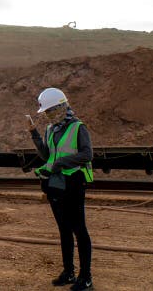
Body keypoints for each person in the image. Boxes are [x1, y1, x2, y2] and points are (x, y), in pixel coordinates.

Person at [27, 87, 94, 290]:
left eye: (50, 111)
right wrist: (34, 133)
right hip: (56, 184)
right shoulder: (51, 129)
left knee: (79, 229)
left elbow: (87, 154)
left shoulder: (78, 127)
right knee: (64, 229)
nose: (48, 115)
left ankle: (86, 277)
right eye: (46, 112)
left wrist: (61, 163)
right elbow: (47, 156)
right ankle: (68, 272)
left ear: (61, 107)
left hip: (74, 182)